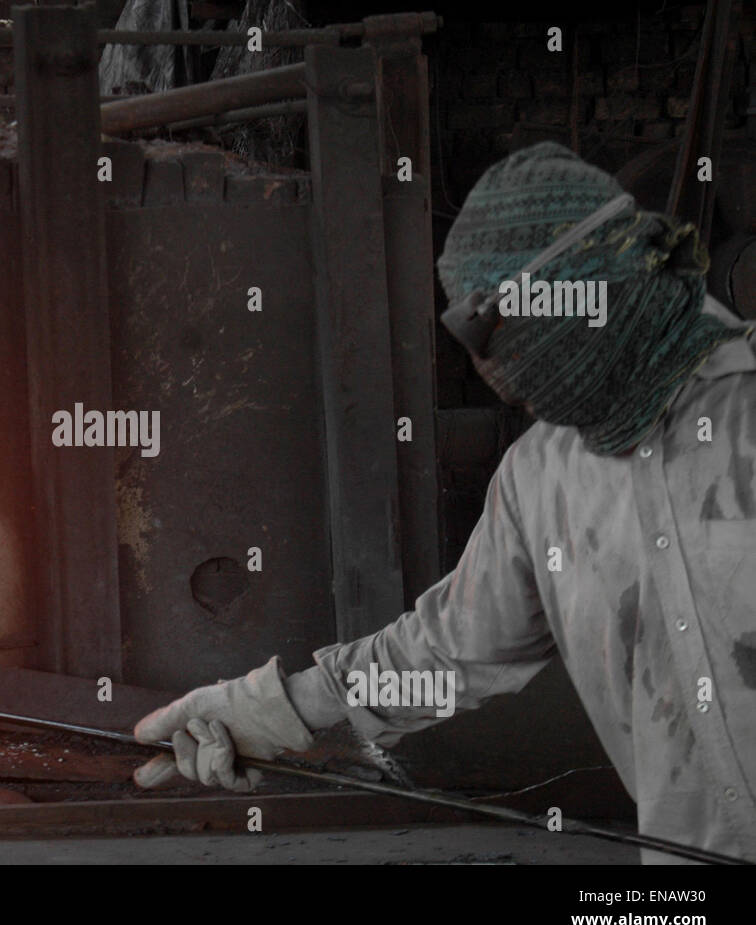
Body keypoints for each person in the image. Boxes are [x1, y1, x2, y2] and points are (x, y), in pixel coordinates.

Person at [132, 142, 756, 864]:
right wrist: (266, 713)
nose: (510, 381)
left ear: (597, 286)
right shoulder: (543, 475)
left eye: (521, 340)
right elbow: (445, 653)